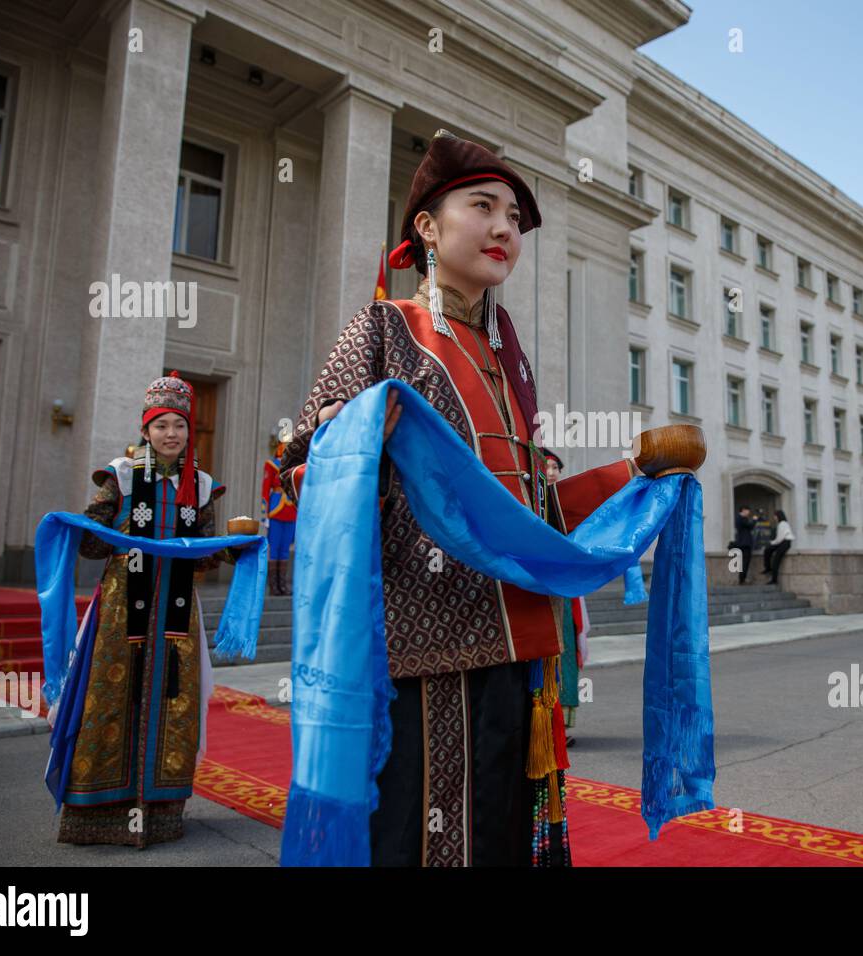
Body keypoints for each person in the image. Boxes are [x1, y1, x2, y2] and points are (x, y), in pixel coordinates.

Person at [277, 130, 659, 866]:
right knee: (424, 843)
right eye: (482, 207)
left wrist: (632, 475)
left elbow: (530, 513)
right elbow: (299, 475)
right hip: (425, 647)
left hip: (519, 643)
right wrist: (353, 441)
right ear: (426, 225)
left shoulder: (506, 355)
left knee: (503, 837)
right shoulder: (384, 329)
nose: (504, 229)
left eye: (514, 217)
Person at [55, 373, 232, 846]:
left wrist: (236, 549)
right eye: (161, 426)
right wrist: (83, 527)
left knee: (173, 700)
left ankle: (160, 814)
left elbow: (205, 553)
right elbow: (92, 544)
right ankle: (97, 813)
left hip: (176, 614)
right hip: (120, 609)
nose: (171, 434)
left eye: (179, 425)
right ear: (146, 430)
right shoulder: (120, 475)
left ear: (189, 431)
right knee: (113, 694)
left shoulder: (203, 485)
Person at [542, 448, 589, 748]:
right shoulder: (531, 501)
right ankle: (542, 724)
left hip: (565, 588)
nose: (553, 471)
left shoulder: (565, 502)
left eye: (556, 467)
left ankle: (560, 725)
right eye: (547, 466)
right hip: (540, 587)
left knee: (565, 657)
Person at [260, 440, 297, 595]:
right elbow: (265, 490)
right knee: (274, 548)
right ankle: (273, 585)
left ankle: (283, 584)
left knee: (285, 549)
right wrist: (264, 514)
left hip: (291, 511)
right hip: (276, 510)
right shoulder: (271, 465)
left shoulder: (296, 466)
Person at [761, 509, 794, 585]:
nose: (774, 517)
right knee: (768, 550)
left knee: (776, 561)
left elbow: (780, 538)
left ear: (778, 516)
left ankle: (774, 580)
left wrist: (772, 542)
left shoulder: (782, 524)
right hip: (783, 542)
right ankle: (768, 568)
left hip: (784, 543)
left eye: (775, 516)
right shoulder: (782, 524)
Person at [733, 506, 756, 585]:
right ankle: (742, 580)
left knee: (744, 562)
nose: (748, 513)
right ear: (743, 510)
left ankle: (742, 579)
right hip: (744, 543)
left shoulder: (741, 518)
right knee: (745, 562)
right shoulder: (740, 518)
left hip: (743, 543)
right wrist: (754, 520)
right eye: (747, 511)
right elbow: (750, 526)